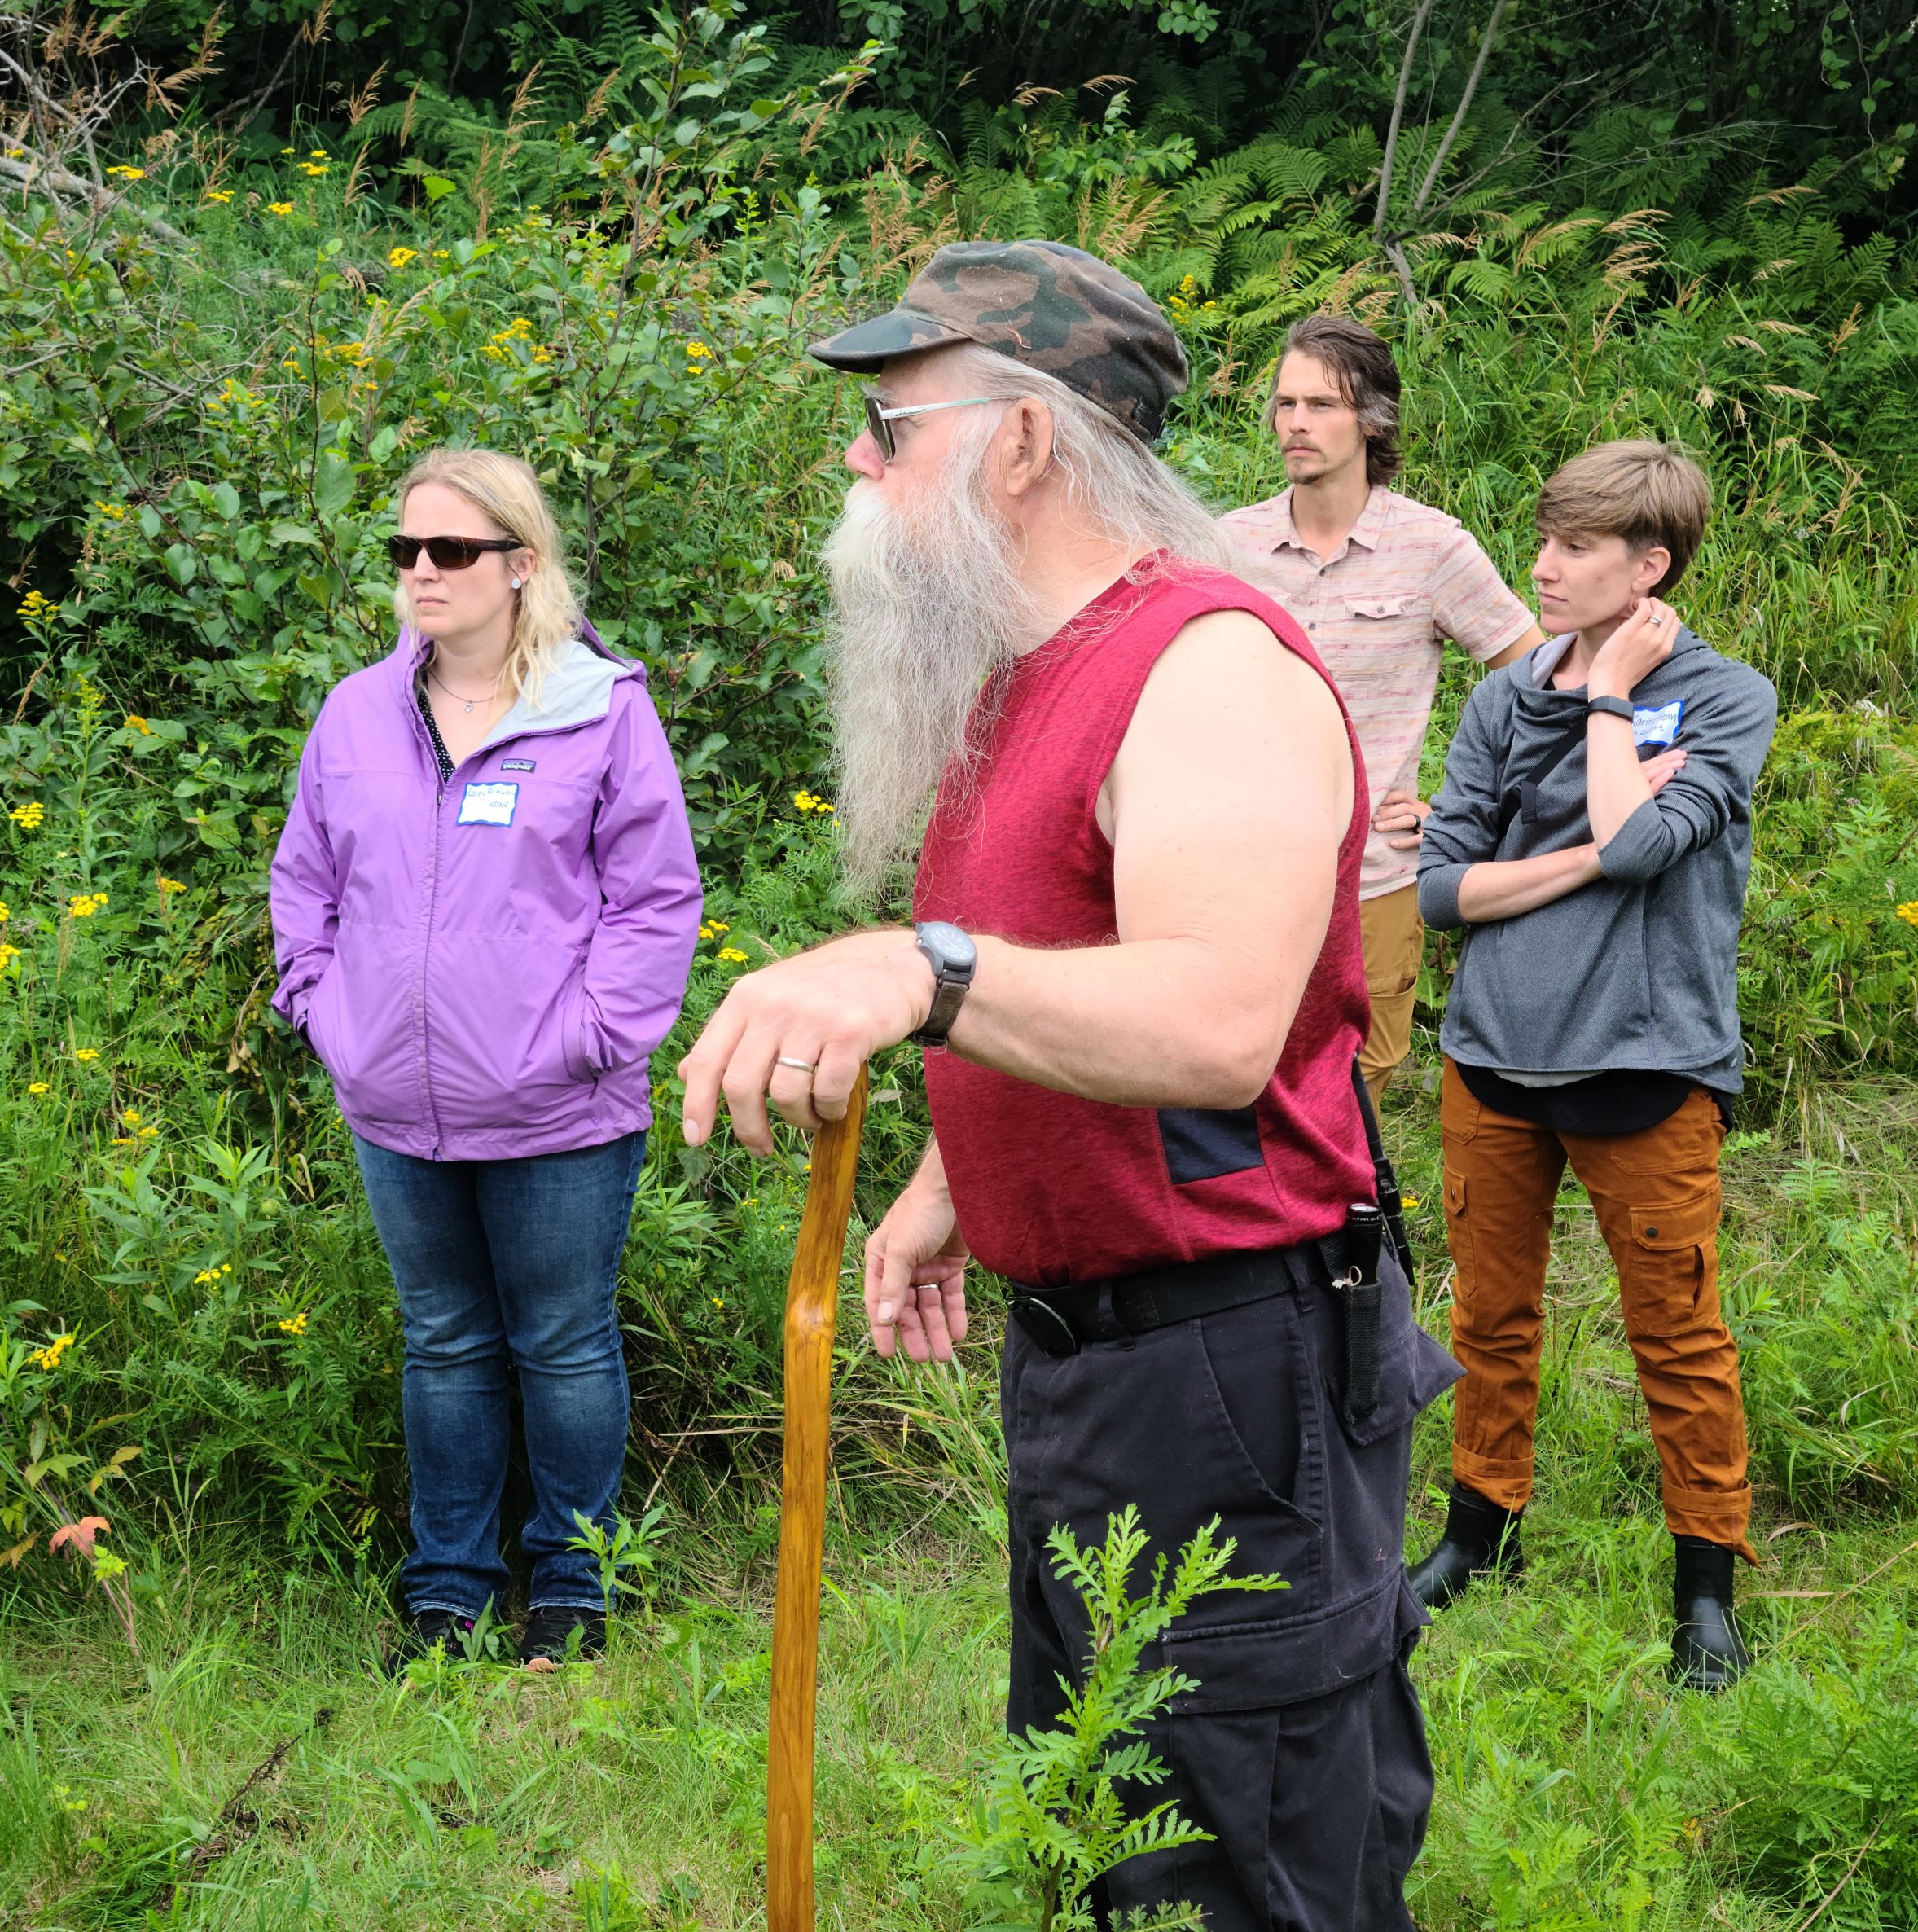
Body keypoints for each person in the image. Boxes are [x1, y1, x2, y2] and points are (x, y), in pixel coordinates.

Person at [676, 240, 1459, 1930]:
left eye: (892, 424)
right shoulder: (1027, 677)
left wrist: (919, 972)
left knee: (1242, 1847)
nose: (857, 461)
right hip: (1100, 1365)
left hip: (1233, 1370)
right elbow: (1072, 955)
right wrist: (959, 1179)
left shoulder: (1207, 667)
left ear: (1022, 442)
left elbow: (1212, 1022)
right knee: (1111, 1817)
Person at [270, 447, 703, 1668]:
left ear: (521, 565)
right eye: (405, 550)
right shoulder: (358, 712)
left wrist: (592, 1039)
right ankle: (450, 1590)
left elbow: (656, 900)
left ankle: (573, 1584)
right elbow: (304, 881)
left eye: (450, 551)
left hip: (559, 1109)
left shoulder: (599, 707)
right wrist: (326, 1013)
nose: (421, 572)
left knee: (562, 1343)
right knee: (445, 1344)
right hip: (395, 1104)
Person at [1406, 440, 1776, 1690]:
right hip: (1493, 1061)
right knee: (1490, 1320)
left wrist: (1612, 697)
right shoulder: (1506, 699)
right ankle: (1479, 1535)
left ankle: (1707, 1589)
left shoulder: (1728, 699)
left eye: (1575, 547)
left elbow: (1635, 842)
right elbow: (1444, 888)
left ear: (1650, 566)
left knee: (1676, 1336)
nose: (1543, 566)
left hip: (1647, 1067)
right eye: (1545, 538)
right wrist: (1562, 860)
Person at [1222, 315, 1542, 1097]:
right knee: (1238, 1065)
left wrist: (1473, 816)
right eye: (1285, 403)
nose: (1296, 423)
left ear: (1372, 419)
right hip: (1240, 871)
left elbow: (1541, 681)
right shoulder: (1225, 549)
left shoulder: (1431, 548)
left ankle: (1350, 1218)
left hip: (1374, 873)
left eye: (1322, 405)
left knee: (1362, 1072)